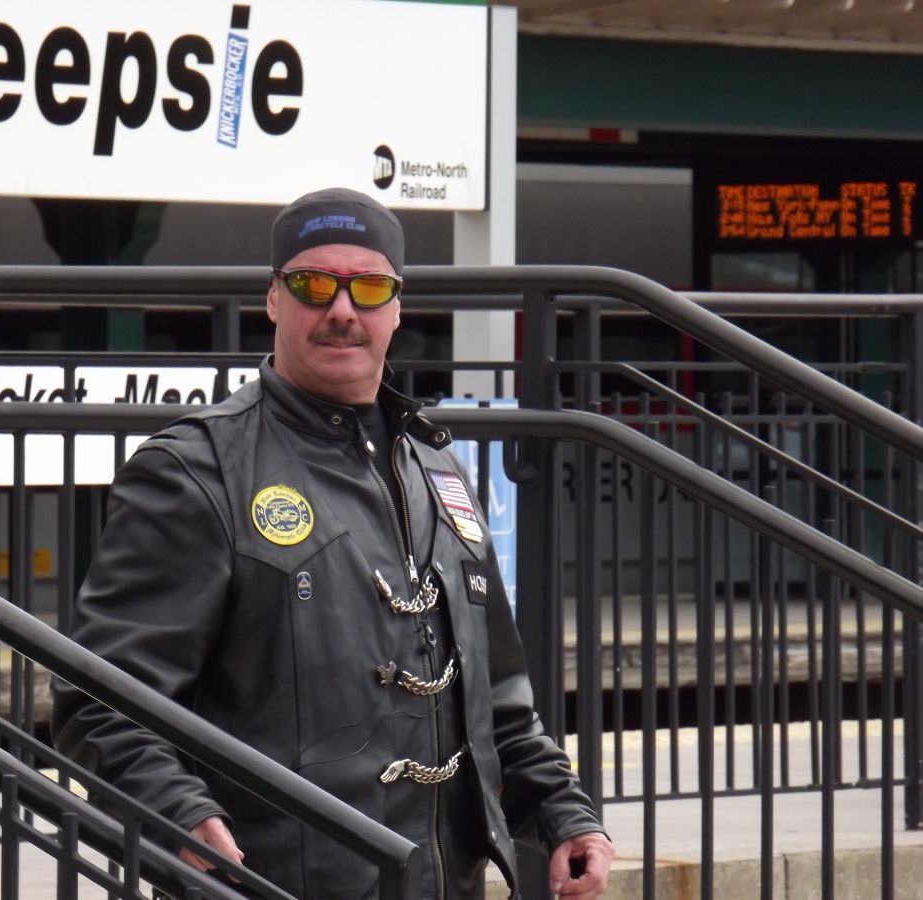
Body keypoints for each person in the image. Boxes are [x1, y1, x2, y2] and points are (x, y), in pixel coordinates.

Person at [51, 187, 614, 898]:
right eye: (314, 285)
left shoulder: (436, 469)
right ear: (274, 299)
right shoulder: (197, 471)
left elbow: (498, 699)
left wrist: (566, 814)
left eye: (370, 287)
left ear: (398, 308)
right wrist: (177, 812)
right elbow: (99, 698)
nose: (342, 310)